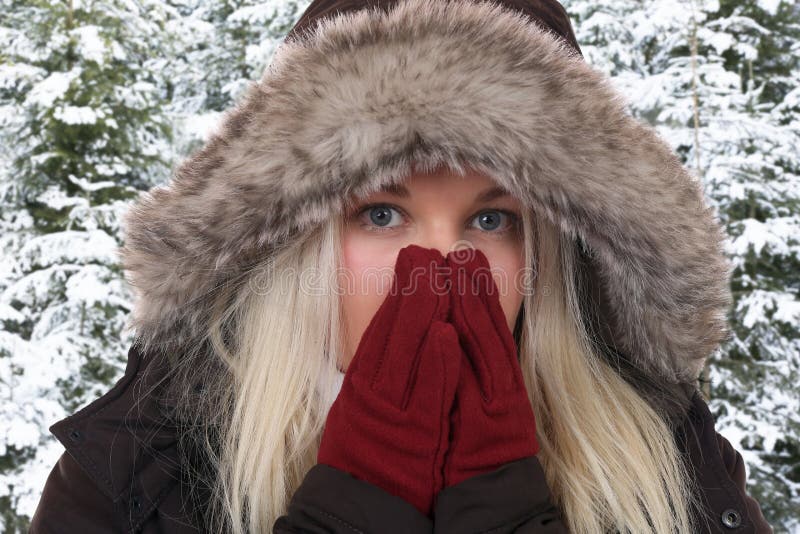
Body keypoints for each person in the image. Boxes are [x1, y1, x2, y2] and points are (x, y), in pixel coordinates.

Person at [29, 0, 774, 532]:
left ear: (547, 255)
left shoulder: (667, 465)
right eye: (381, 214)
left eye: (492, 220)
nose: (442, 265)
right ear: (298, 238)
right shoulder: (138, 472)